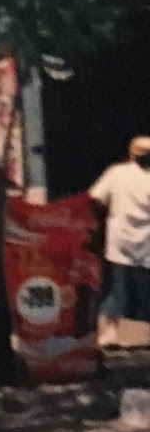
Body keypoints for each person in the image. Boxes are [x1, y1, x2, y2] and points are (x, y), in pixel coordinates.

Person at [88, 136, 150, 347]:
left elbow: (95, 198)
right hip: (147, 243)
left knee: (114, 289)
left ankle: (111, 334)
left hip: (120, 241)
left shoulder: (117, 174)